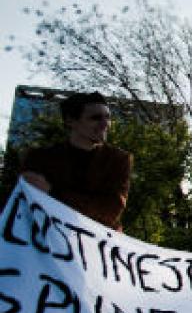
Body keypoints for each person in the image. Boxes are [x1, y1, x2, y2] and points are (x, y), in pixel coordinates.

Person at [20, 91, 132, 230]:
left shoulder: (118, 160)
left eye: (108, 117)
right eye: (95, 118)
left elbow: (110, 211)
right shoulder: (39, 157)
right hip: (49, 237)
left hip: (97, 242)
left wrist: (53, 192)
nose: (105, 124)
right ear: (70, 121)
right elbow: (26, 201)